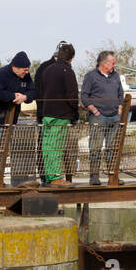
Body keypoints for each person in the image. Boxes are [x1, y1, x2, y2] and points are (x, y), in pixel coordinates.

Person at [0, 52, 34, 186]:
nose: (27, 72)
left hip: (10, 121)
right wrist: (13, 96)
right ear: (15, 67)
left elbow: (34, 91)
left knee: (3, 153)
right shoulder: (0, 75)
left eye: (28, 70)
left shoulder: (25, 78)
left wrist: (25, 97)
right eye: (24, 70)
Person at [80, 50, 124, 184]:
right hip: (98, 117)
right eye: (113, 63)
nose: (114, 66)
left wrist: (120, 110)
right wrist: (94, 110)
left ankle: (113, 176)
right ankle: (94, 177)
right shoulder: (90, 76)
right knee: (95, 148)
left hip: (114, 117)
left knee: (113, 148)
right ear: (104, 63)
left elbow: (120, 94)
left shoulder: (116, 76)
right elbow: (84, 96)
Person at [39, 43, 79, 186]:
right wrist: (75, 114)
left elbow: (42, 91)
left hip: (47, 114)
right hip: (61, 115)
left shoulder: (47, 70)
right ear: (71, 58)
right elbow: (72, 95)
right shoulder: (67, 71)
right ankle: (56, 178)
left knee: (47, 146)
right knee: (57, 147)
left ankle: (50, 176)